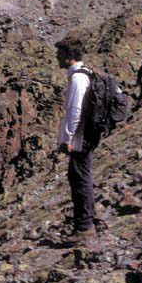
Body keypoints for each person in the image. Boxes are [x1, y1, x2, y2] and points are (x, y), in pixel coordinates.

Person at [57, 42, 99, 243]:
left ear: (68, 55)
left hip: (81, 138)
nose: (56, 57)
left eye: (60, 53)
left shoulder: (78, 78)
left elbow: (75, 111)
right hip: (86, 135)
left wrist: (68, 139)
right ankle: (86, 223)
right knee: (81, 177)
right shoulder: (85, 73)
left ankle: (84, 228)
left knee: (80, 179)